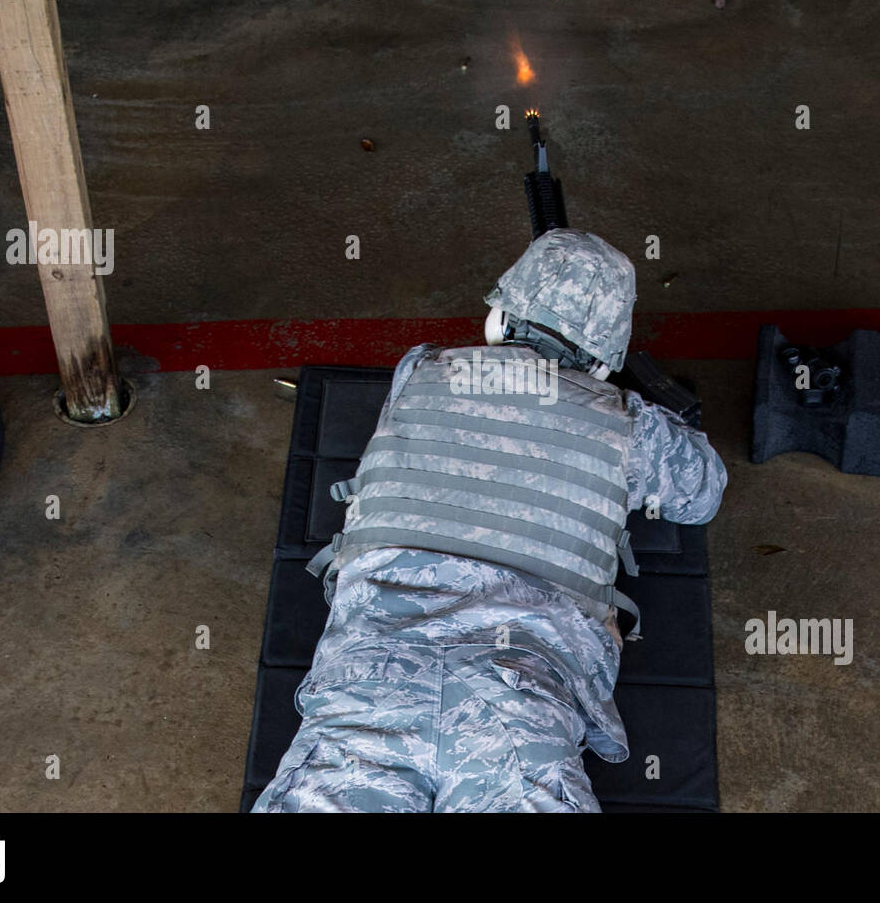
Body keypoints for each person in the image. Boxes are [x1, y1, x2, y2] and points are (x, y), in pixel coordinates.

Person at [253, 228, 726, 812]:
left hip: (372, 681)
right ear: (606, 359)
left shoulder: (420, 371)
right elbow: (704, 493)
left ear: (499, 318)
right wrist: (629, 405)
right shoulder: (629, 426)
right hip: (517, 704)